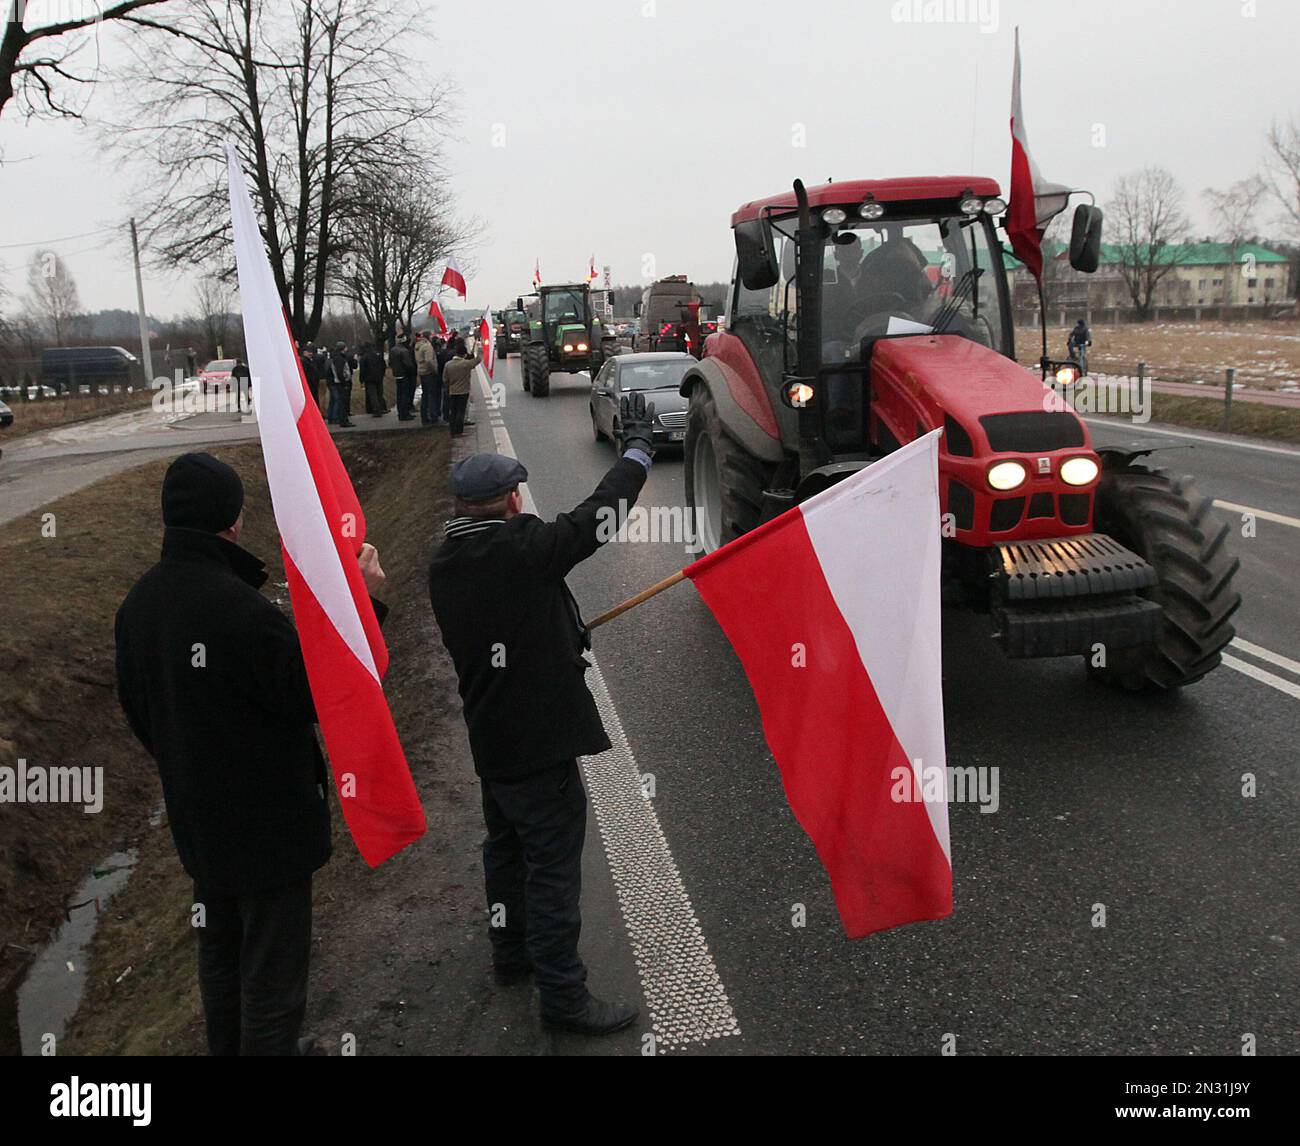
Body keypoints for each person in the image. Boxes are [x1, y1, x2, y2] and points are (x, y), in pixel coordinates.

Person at [114, 452, 388, 1055]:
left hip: (198, 822)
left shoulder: (138, 607)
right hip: (267, 828)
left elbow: (140, 715)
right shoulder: (239, 608)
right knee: (272, 978)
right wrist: (364, 603)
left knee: (222, 960)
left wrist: (191, 764)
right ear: (232, 521)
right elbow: (317, 696)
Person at [427, 393, 656, 1035]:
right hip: (540, 746)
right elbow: (593, 521)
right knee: (553, 870)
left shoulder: (444, 568)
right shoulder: (524, 552)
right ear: (510, 502)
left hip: (491, 742)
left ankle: (511, 954)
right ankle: (563, 997)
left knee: (504, 851)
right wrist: (636, 454)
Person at [442, 337, 480, 436]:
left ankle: (452, 430)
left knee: (453, 411)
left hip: (452, 391)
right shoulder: (465, 364)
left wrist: (448, 389)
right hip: (463, 391)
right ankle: (459, 430)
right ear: (464, 354)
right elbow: (478, 360)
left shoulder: (448, 365)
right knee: (460, 411)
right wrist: (480, 350)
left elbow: (445, 379)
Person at [327, 341, 356, 427]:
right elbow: (340, 372)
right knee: (342, 402)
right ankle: (343, 420)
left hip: (339, 382)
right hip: (341, 383)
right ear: (343, 349)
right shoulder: (339, 359)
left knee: (340, 401)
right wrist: (344, 382)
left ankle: (342, 419)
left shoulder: (337, 357)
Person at [389, 336, 417, 421]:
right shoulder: (404, 351)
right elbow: (408, 364)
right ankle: (405, 413)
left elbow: (390, 363)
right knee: (405, 394)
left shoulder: (393, 350)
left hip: (397, 374)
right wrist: (412, 371)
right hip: (405, 375)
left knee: (399, 394)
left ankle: (400, 412)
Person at [415, 331, 440, 426]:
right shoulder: (427, 346)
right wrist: (435, 370)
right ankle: (433, 417)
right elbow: (429, 361)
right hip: (429, 373)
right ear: (428, 337)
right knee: (431, 395)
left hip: (421, 372)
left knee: (425, 395)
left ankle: (424, 417)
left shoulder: (418, 346)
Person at [359, 341, 388, 417]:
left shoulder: (364, 357)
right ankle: (382, 408)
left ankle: (376, 410)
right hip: (379, 377)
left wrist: (361, 380)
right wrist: (382, 373)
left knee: (373, 395)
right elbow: (383, 365)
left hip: (369, 378)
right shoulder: (378, 354)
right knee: (379, 393)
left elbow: (362, 369)